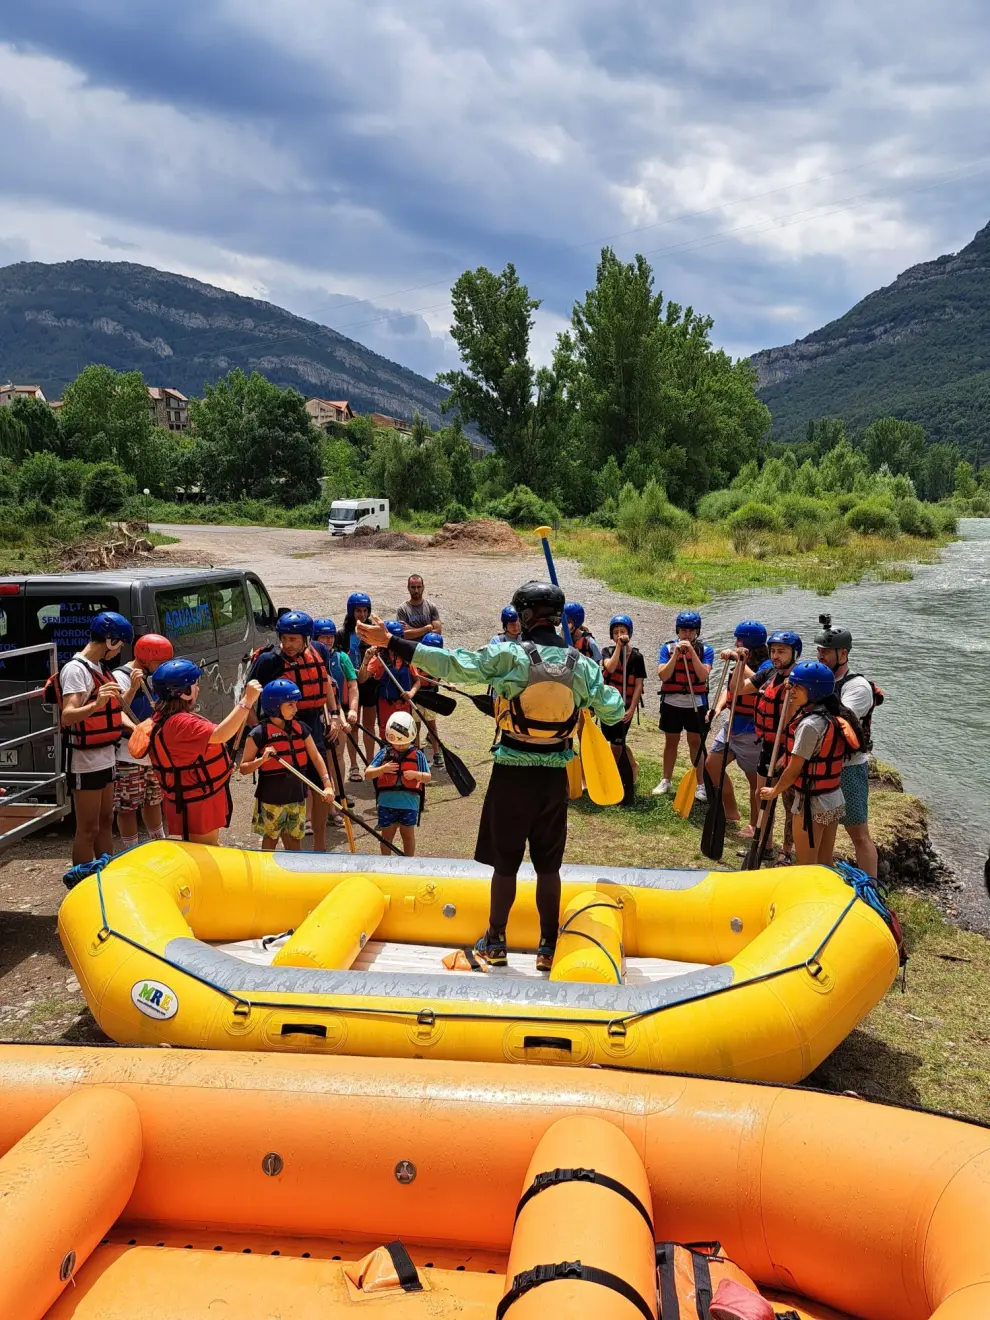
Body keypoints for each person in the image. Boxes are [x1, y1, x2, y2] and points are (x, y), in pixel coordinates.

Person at [358, 581, 624, 970]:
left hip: (512, 774)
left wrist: (392, 643)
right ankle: (548, 947)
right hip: (554, 777)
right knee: (548, 867)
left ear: (526, 616)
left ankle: (495, 941)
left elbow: (452, 664)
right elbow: (615, 710)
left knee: (506, 863)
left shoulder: (509, 655)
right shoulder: (581, 665)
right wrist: (584, 693)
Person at [246, 610, 343, 845]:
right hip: (280, 728)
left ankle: (320, 845)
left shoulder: (319, 651)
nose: (287, 644)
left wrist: (334, 714)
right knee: (284, 790)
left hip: (312, 726)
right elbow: (247, 699)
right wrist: (260, 732)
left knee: (320, 786)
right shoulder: (268, 661)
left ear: (306, 639)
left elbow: (325, 681)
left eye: (293, 639)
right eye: (284, 638)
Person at [759, 661, 865, 867]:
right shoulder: (833, 715)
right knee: (825, 862)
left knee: (805, 865)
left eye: (798, 687)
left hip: (812, 804)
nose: (792, 691)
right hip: (833, 798)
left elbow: (793, 769)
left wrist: (774, 791)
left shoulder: (809, 725)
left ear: (814, 691)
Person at [148, 660, 262, 845]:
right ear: (184, 692)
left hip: (190, 797)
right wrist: (247, 701)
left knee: (203, 847)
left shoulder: (165, 718)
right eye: (195, 684)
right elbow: (221, 734)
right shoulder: (181, 723)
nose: (198, 689)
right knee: (205, 849)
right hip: (198, 802)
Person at [51, 610, 131, 865]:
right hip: (84, 760)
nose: (120, 651)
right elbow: (68, 715)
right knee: (88, 828)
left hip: (106, 754)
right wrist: (97, 704)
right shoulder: (76, 670)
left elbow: (115, 710)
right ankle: (81, 879)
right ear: (111, 641)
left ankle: (106, 874)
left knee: (106, 821)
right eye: (120, 645)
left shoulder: (101, 668)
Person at [815, 615, 882, 880]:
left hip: (848, 768)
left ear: (843, 654)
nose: (820, 656)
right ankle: (826, 877)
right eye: (819, 651)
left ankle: (871, 888)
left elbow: (838, 723)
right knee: (822, 829)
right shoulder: (819, 678)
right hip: (822, 765)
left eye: (826, 652)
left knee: (858, 833)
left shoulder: (857, 687)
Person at [239, 679, 335, 852]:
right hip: (271, 800)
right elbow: (244, 768)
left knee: (294, 841)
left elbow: (316, 757)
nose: (296, 709)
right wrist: (262, 760)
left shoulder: (301, 728)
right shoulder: (259, 734)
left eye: (295, 703)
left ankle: (293, 869)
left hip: (296, 797)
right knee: (270, 841)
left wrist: (327, 784)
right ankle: (267, 870)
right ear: (274, 707)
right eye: (290, 705)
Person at [706, 621, 768, 839]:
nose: (736, 642)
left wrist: (740, 660)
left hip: (752, 733)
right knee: (712, 765)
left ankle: (753, 825)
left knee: (755, 783)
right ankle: (730, 809)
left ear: (748, 642)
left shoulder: (767, 665)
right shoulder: (743, 661)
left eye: (739, 640)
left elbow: (761, 683)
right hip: (731, 726)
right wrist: (717, 708)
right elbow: (730, 689)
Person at [112, 632, 173, 850]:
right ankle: (131, 849)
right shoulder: (120, 676)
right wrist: (133, 689)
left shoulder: (157, 677)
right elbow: (116, 710)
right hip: (128, 753)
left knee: (154, 800)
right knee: (127, 807)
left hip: (153, 751)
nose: (163, 666)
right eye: (160, 661)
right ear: (147, 659)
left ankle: (159, 842)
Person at [653, 610, 714, 799]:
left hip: (696, 704)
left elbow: (703, 676)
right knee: (671, 741)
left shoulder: (706, 650)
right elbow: (663, 675)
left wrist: (692, 653)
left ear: (697, 632)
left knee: (695, 743)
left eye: (691, 631)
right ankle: (666, 780)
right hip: (671, 703)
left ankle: (701, 785)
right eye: (683, 631)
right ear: (677, 631)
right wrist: (676, 655)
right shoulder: (667, 649)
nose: (686, 635)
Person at [753, 630, 802, 861]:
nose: (775, 656)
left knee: (789, 803)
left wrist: (789, 753)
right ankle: (765, 846)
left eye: (781, 651)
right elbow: (739, 688)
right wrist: (739, 661)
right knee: (762, 795)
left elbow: (800, 720)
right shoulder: (770, 674)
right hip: (768, 746)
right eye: (773, 651)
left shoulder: (801, 680)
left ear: (795, 654)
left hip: (788, 749)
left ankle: (787, 851)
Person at [364, 710, 431, 856]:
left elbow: (427, 777)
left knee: (408, 836)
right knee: (386, 838)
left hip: (409, 804)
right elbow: (368, 773)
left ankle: (408, 863)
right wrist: (383, 769)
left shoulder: (418, 755)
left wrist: (416, 775)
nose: (400, 746)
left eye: (404, 743)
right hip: (387, 804)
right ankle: (386, 863)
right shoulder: (384, 753)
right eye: (396, 743)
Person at [600, 614, 646, 799]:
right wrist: (619, 647)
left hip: (625, 707)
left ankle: (612, 777)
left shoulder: (637, 657)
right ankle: (632, 764)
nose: (619, 635)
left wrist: (631, 709)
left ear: (630, 633)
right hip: (608, 707)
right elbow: (610, 668)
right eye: (616, 632)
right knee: (612, 738)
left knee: (617, 744)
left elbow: (638, 686)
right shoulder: (607, 651)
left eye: (623, 631)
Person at [313, 617, 360, 796]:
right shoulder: (309, 660)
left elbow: (353, 686)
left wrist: (353, 710)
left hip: (339, 712)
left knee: (338, 755)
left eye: (331, 636)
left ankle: (340, 794)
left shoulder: (342, 658)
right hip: (318, 714)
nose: (329, 640)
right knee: (322, 757)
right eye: (324, 637)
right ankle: (327, 795)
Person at [339, 591, 378, 779]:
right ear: (351, 611)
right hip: (350, 684)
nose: (362, 615)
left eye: (365, 611)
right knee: (353, 725)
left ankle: (370, 763)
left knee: (369, 726)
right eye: (358, 611)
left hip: (369, 683)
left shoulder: (373, 632)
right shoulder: (342, 634)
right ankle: (354, 766)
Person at [366, 620, 414, 736]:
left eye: (397, 640)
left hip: (405, 704)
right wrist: (366, 660)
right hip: (386, 705)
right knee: (388, 737)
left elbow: (417, 681)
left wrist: (412, 692)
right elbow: (362, 679)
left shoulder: (408, 658)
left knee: (405, 735)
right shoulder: (379, 659)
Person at [409, 630, 445, 767]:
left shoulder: (439, 663)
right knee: (416, 725)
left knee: (432, 726)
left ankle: (436, 753)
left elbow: (440, 679)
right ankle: (417, 752)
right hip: (417, 696)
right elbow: (414, 678)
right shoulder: (416, 661)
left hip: (430, 696)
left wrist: (449, 684)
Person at [396, 574, 443, 641]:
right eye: (413, 587)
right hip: (411, 647)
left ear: (423, 587)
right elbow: (403, 635)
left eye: (419, 587)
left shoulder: (431, 607)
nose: (416, 591)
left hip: (427, 646)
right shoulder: (402, 609)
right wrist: (427, 628)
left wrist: (411, 629)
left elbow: (438, 633)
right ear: (408, 588)